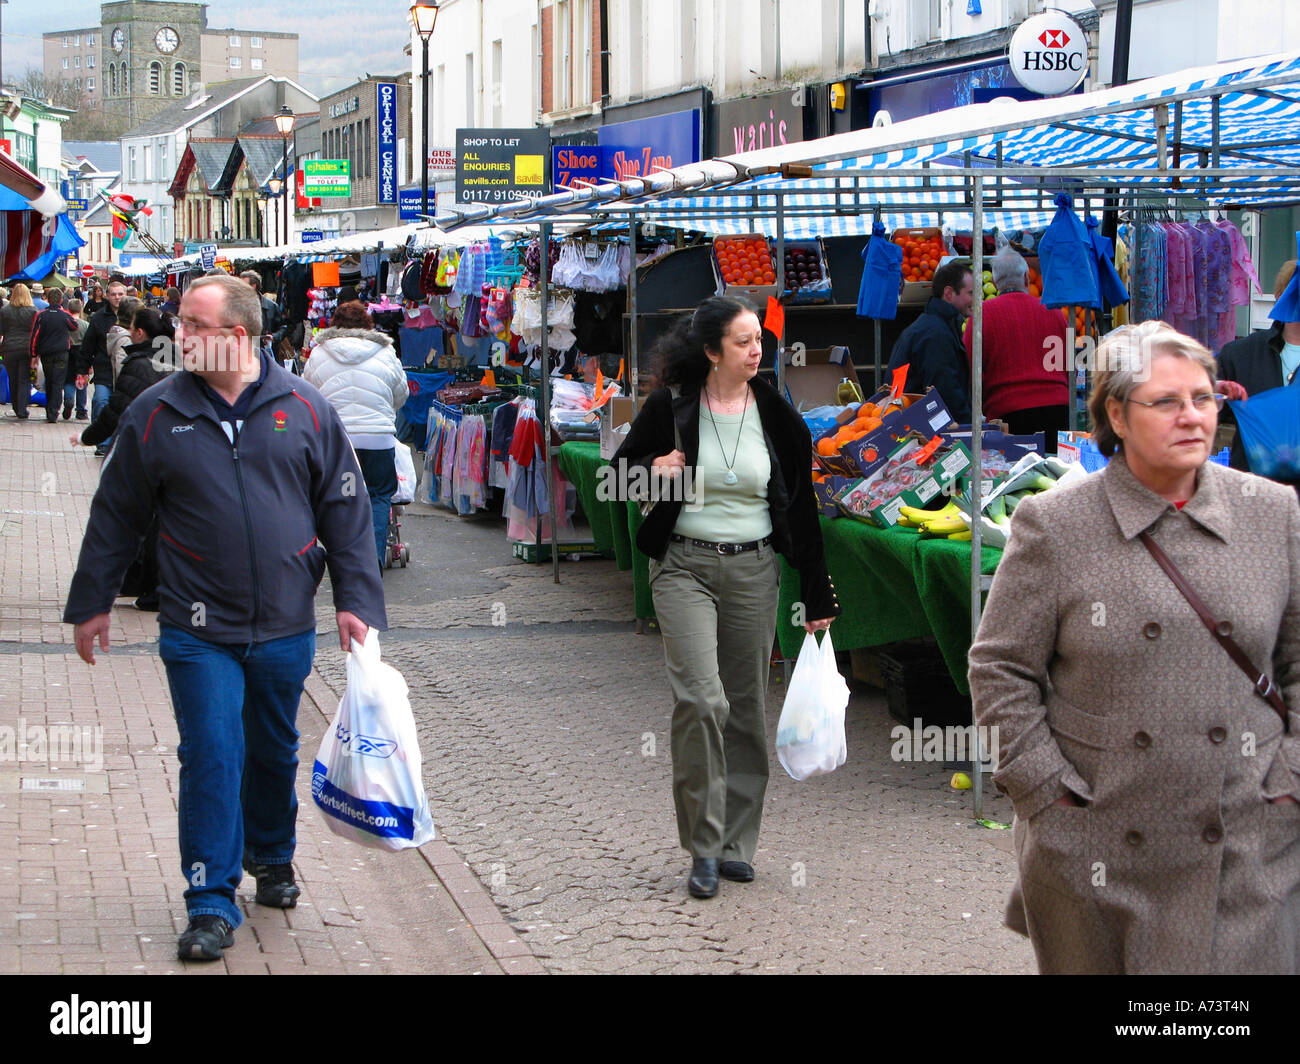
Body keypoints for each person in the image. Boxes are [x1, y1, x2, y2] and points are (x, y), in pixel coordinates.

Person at [63, 273, 387, 962]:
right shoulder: (156, 412)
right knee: (211, 753)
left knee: (271, 750)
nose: (178, 334)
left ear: (237, 337)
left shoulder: (304, 407)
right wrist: (92, 602)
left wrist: (357, 600)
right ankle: (210, 900)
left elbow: (346, 509)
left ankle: (272, 855)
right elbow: (115, 514)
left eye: (192, 325)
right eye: (181, 323)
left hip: (283, 624)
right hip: (195, 628)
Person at [970, 320, 1300, 974]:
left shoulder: (1273, 512)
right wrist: (1049, 799)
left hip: (1247, 841)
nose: (1192, 418)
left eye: (1203, 398)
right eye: (1166, 402)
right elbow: (1001, 671)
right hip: (1099, 845)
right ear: (1116, 413)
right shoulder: (1056, 525)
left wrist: (1289, 784)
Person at [611, 296, 840, 900]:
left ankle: (738, 845)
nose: (757, 350)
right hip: (683, 565)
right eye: (743, 342)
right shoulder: (672, 406)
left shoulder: (775, 411)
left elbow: (802, 503)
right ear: (712, 351)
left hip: (754, 571)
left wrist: (816, 586)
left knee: (744, 708)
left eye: (759, 339)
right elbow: (619, 475)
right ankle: (703, 847)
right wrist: (655, 467)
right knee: (701, 700)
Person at [72, 306, 178, 609]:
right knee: (156, 518)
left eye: (131, 328)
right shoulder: (178, 357)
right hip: (174, 446)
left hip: (146, 449)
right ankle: (140, 583)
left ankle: (150, 588)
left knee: (139, 518)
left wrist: (87, 437)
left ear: (140, 333)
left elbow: (120, 409)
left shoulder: (139, 363)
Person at [303, 300, 408, 570]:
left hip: (336, 441)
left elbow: (305, 397)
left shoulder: (319, 354)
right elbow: (401, 395)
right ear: (367, 324)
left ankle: (345, 559)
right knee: (378, 496)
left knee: (340, 497)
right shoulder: (386, 352)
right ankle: (371, 561)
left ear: (334, 324)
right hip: (377, 438)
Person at [963, 247, 1070, 450]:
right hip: (1057, 410)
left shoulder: (982, 315)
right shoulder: (1054, 311)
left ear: (995, 283)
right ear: (1027, 278)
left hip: (1008, 413)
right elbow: (1068, 363)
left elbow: (969, 368)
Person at [1217, 260, 1300, 487]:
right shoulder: (1240, 354)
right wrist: (1214, 393)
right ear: (1282, 295)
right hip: (1253, 493)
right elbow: (1207, 412)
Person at [887, 260, 975, 423]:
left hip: (911, 420)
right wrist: (968, 426)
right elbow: (945, 389)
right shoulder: (936, 334)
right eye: (970, 293)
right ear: (949, 293)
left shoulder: (932, 326)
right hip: (920, 427)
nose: (976, 298)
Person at [77, 280, 127, 428]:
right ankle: (101, 441)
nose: (117, 297)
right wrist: (82, 370)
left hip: (127, 369)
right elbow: (88, 345)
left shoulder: (134, 316)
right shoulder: (99, 317)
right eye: (113, 294)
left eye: (120, 294)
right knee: (101, 401)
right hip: (104, 368)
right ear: (107, 295)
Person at [30, 289, 76, 424]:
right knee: (58, 382)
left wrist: (33, 354)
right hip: (62, 353)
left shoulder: (41, 315)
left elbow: (34, 335)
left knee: (49, 380)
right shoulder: (64, 314)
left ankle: (50, 410)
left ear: (47, 299)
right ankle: (54, 410)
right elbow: (74, 325)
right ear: (61, 300)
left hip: (46, 353)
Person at [0, 283, 39, 419]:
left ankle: (16, 407)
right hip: (26, 349)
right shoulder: (33, 311)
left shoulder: (5, 311)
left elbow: (2, 331)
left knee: (13, 379)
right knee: (24, 380)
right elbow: (35, 332)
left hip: (9, 349)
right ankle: (22, 409)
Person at [240, 271, 285, 359]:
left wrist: (274, 337)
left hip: (266, 352)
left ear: (253, 286)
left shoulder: (271, 306)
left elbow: (283, 327)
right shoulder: (237, 306)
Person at [62, 298, 91, 420]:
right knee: (81, 382)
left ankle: (68, 400)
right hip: (82, 353)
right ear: (80, 309)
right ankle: (81, 410)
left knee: (68, 380)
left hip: (68, 353)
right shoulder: (85, 325)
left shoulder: (65, 324)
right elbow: (89, 342)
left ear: (68, 308)